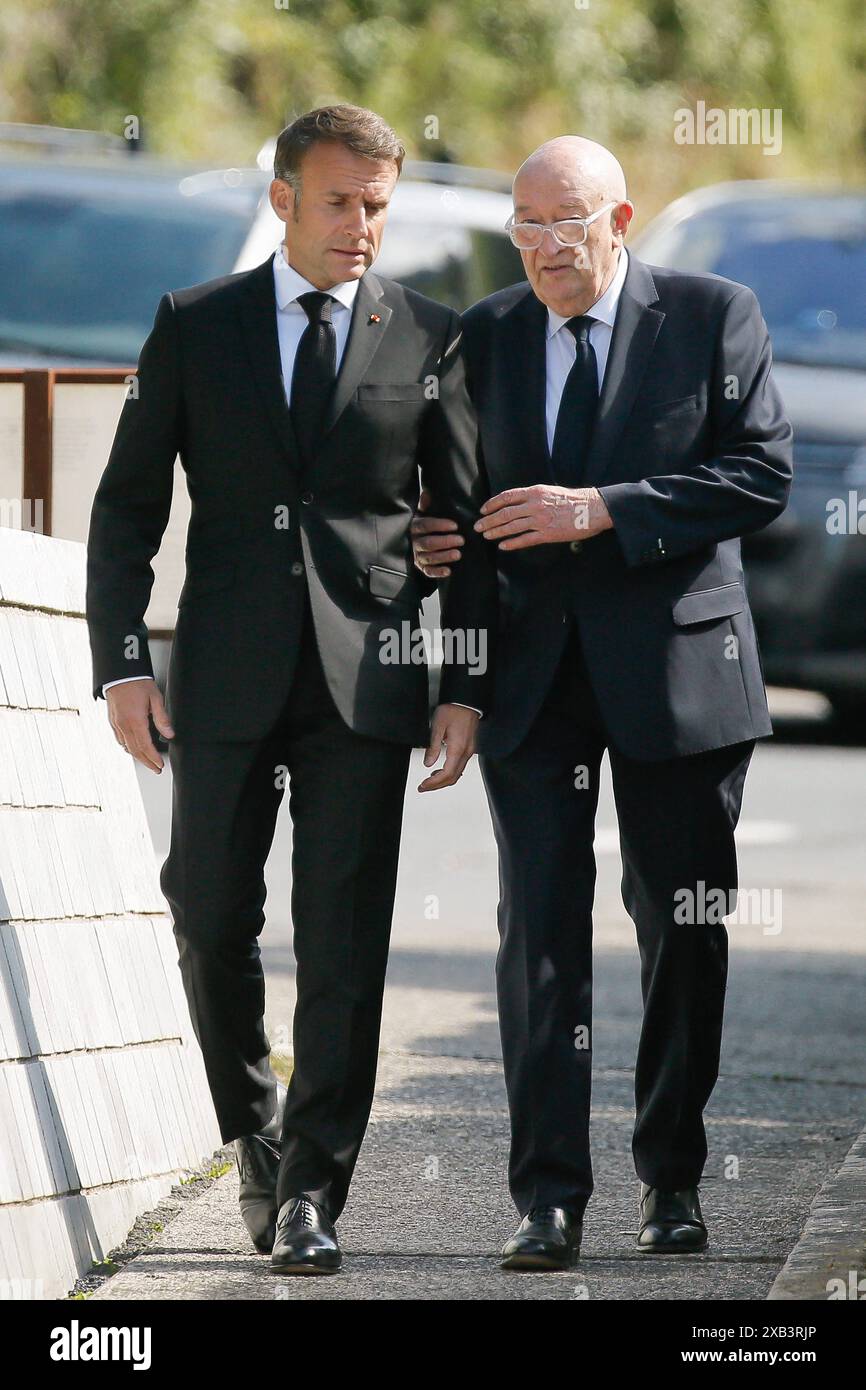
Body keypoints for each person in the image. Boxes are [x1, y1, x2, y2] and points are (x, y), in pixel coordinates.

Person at [86, 104, 495, 1276]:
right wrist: (123, 661)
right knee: (208, 916)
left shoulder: (429, 334)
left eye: (377, 204)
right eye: (338, 202)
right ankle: (252, 1132)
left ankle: (314, 1188)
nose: (361, 226)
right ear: (281, 199)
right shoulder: (194, 324)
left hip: (368, 685)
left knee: (345, 942)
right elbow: (124, 513)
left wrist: (460, 679)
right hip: (217, 675)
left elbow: (457, 527)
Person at [412, 135, 792, 1269]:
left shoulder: (713, 315)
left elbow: (758, 474)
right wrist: (459, 685)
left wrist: (601, 508)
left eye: (562, 225)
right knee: (537, 935)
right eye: (523, 226)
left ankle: (670, 1173)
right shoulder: (481, 335)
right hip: (533, 683)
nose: (540, 249)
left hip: (677, 673)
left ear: (617, 220)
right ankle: (546, 1197)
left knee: (681, 927)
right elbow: (462, 525)